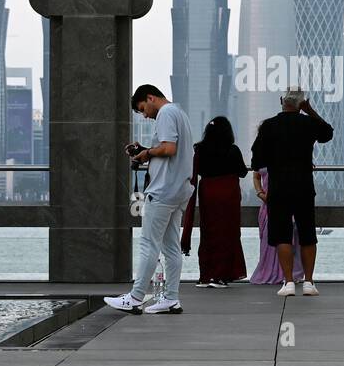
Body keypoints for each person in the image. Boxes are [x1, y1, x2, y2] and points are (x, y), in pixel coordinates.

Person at [104, 85, 194, 315]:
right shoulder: (179, 113)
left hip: (163, 191)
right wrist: (146, 150)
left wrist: (145, 154)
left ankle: (135, 298)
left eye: (143, 109)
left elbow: (169, 148)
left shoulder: (165, 113)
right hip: (179, 189)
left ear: (150, 98)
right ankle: (171, 299)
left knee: (148, 244)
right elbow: (169, 149)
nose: (145, 115)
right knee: (171, 247)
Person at [250, 87, 333, 297]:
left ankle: (288, 282)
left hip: (278, 187)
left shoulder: (269, 126)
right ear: (301, 104)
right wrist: (310, 110)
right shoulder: (309, 123)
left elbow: (256, 160)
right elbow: (327, 133)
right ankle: (309, 282)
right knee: (307, 234)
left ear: (281, 101)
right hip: (304, 186)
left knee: (282, 235)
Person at [180, 116, 248, 288]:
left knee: (208, 232)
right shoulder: (233, 150)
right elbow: (242, 172)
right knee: (228, 233)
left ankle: (206, 275)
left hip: (208, 192)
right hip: (229, 193)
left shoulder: (200, 149)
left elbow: (197, 170)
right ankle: (221, 275)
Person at [249, 166, 305, 284]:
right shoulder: (261, 153)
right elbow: (256, 176)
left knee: (290, 237)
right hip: (268, 204)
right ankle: (270, 271)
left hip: (289, 201)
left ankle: (290, 273)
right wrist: (260, 193)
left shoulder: (291, 153)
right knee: (268, 240)